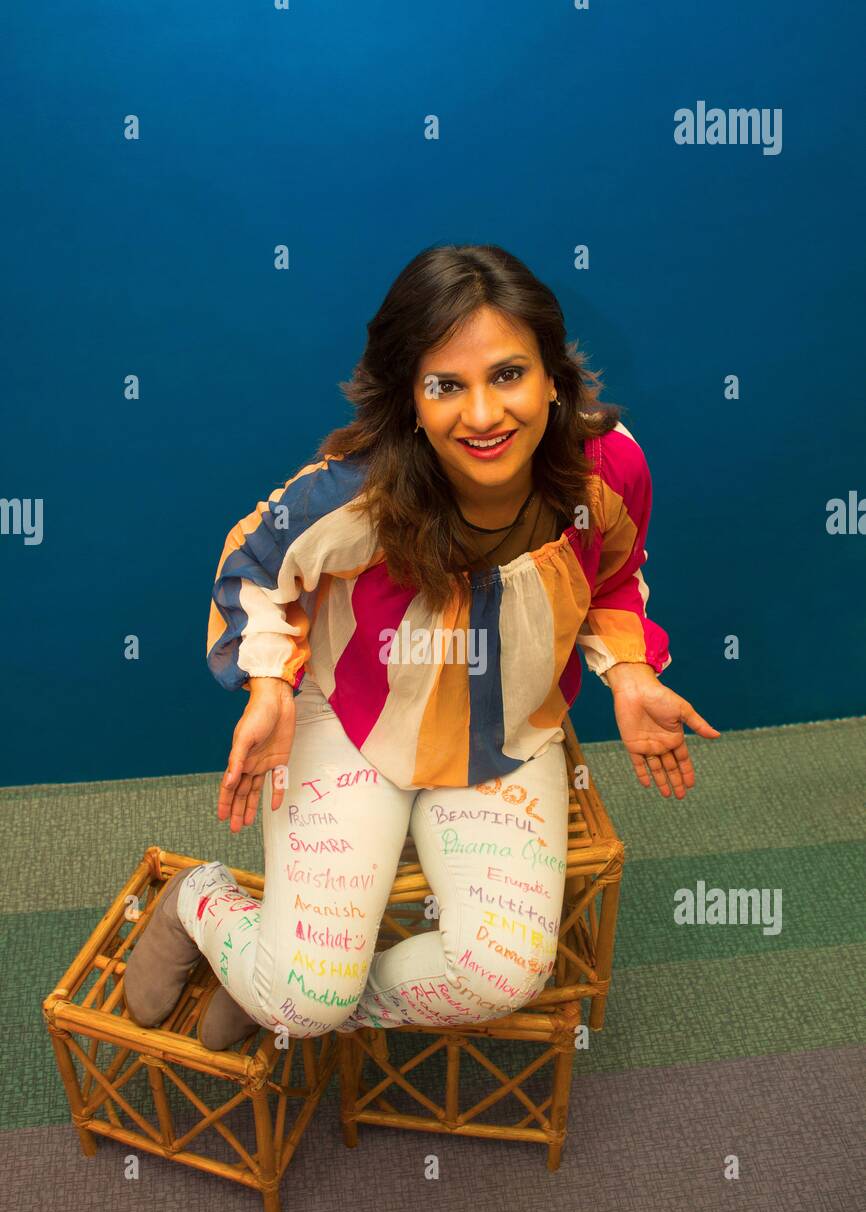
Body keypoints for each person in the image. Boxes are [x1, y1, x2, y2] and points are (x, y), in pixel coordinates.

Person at [123, 243, 720, 1050]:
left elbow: (615, 577)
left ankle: (278, 985)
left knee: (497, 973)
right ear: (411, 397)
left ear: (553, 376)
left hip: (508, 735)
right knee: (306, 992)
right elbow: (253, 566)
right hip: (353, 722)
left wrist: (630, 672)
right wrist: (268, 686)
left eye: (508, 374)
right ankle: (203, 905)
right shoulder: (358, 492)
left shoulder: (608, 469)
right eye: (448, 386)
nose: (482, 416)